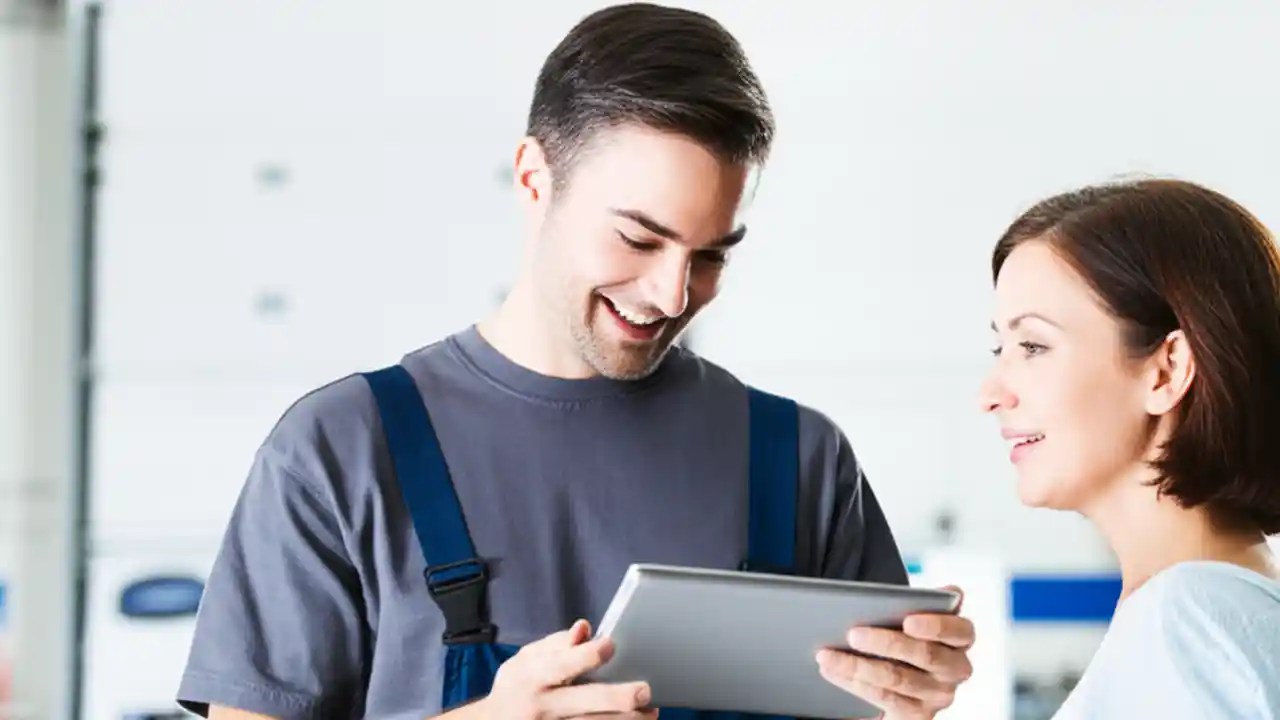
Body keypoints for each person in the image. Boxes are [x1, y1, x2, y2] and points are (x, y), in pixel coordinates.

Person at [176, 4, 976, 720]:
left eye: (710, 256)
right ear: (534, 178)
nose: (671, 294)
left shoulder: (802, 460)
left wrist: (907, 706)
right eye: (637, 238)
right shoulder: (341, 449)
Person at [980, 178, 1280, 718]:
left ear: (1167, 369)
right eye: (1000, 346)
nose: (990, 394)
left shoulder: (1188, 621)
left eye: (1033, 346)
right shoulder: (1214, 612)